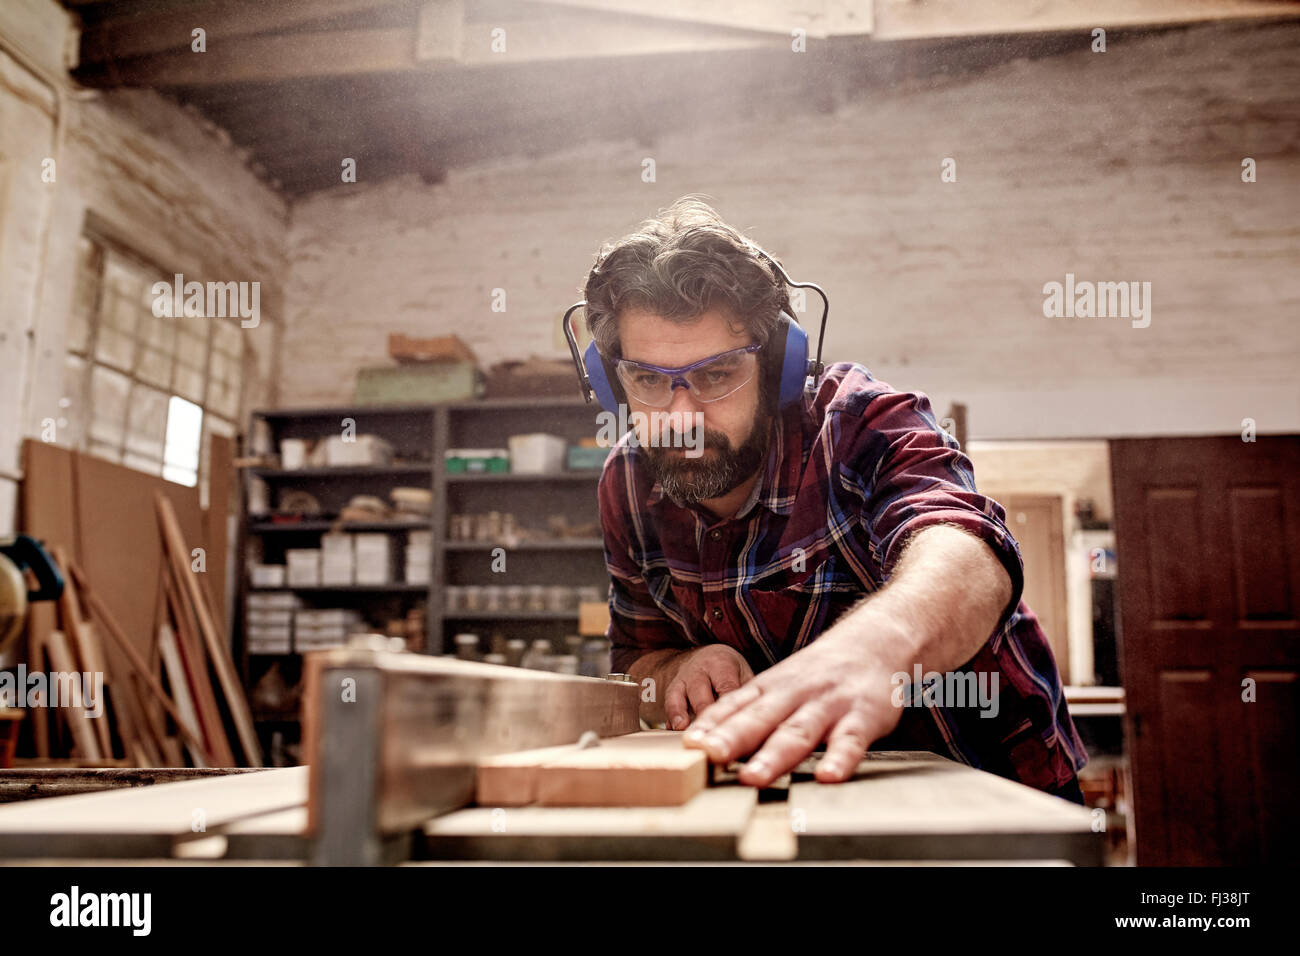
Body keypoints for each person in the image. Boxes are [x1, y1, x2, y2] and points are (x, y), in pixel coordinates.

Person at [584, 197, 1087, 802]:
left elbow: (966, 549)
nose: (681, 416)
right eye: (649, 380)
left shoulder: (859, 421)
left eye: (716, 376)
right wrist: (677, 670)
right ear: (614, 381)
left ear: (777, 370)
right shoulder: (627, 482)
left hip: (987, 783)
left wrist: (872, 651)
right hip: (800, 794)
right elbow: (638, 656)